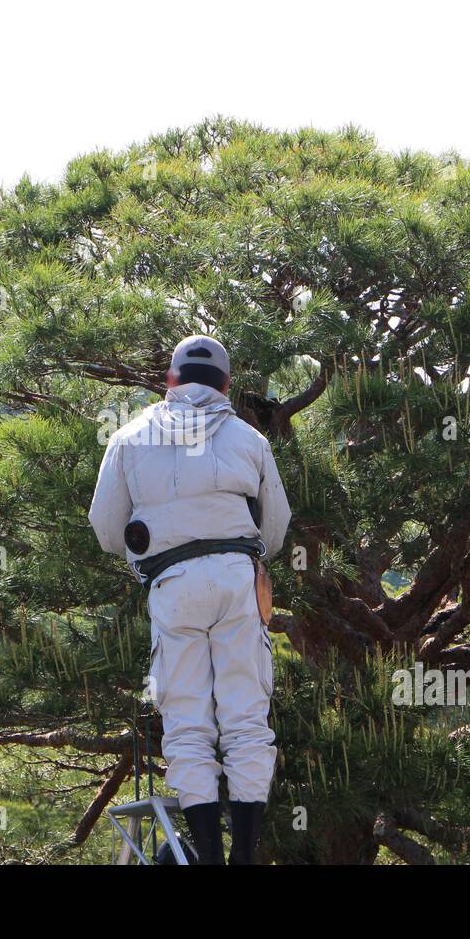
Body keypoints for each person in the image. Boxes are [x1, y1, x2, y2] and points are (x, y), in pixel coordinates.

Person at [88, 334, 291, 864]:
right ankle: (244, 856)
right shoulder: (250, 439)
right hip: (235, 578)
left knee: (187, 723)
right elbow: (277, 524)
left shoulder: (128, 438)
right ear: (226, 385)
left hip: (171, 584)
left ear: (170, 381)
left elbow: (106, 529)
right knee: (246, 719)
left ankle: (208, 857)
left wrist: (149, 556)